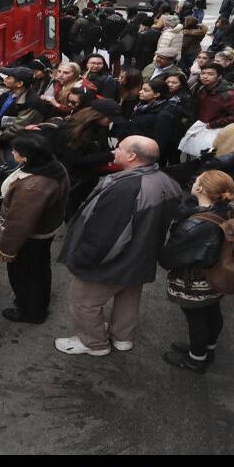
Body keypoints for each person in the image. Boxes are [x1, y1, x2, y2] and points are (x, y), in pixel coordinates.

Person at [56, 136, 185, 356]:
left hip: (112, 262)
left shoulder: (126, 189)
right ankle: (122, 337)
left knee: (84, 302)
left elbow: (107, 234)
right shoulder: (167, 181)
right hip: (141, 257)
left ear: (132, 156)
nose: (115, 150)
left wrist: (84, 259)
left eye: (120, 148)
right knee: (128, 298)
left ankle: (93, 343)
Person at [158, 170, 234, 373]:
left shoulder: (195, 223)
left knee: (196, 318)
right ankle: (208, 347)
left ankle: (196, 359)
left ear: (200, 188)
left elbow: (171, 256)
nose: (194, 181)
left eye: (197, 180)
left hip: (194, 278)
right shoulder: (229, 209)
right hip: (218, 274)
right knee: (212, 311)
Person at [0, 134, 70, 324]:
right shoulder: (52, 165)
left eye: (15, 151)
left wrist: (5, 249)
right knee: (39, 268)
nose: (12, 153)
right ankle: (38, 304)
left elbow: (20, 223)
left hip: (31, 238)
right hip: (45, 231)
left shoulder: (34, 186)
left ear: (27, 157)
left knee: (25, 274)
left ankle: (30, 311)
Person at [42, 99, 122, 219]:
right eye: (109, 118)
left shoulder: (98, 127)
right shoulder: (77, 131)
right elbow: (75, 160)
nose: (110, 122)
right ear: (97, 115)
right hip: (72, 178)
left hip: (83, 177)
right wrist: (110, 155)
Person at [125, 80, 183, 164]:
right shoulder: (142, 104)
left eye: (145, 90)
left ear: (156, 94)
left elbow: (160, 140)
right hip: (135, 145)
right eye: (141, 89)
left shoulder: (164, 113)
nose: (140, 92)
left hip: (146, 152)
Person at [0, 66, 49, 147]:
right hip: (0, 139)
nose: (5, 79)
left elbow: (17, 130)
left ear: (19, 84)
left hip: (15, 145)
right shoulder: (6, 95)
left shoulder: (31, 103)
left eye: (8, 77)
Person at [193, 64, 234, 130]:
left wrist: (213, 124)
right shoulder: (202, 87)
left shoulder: (228, 94)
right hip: (199, 125)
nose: (205, 76)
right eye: (202, 73)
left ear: (219, 77)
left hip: (214, 130)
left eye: (210, 74)